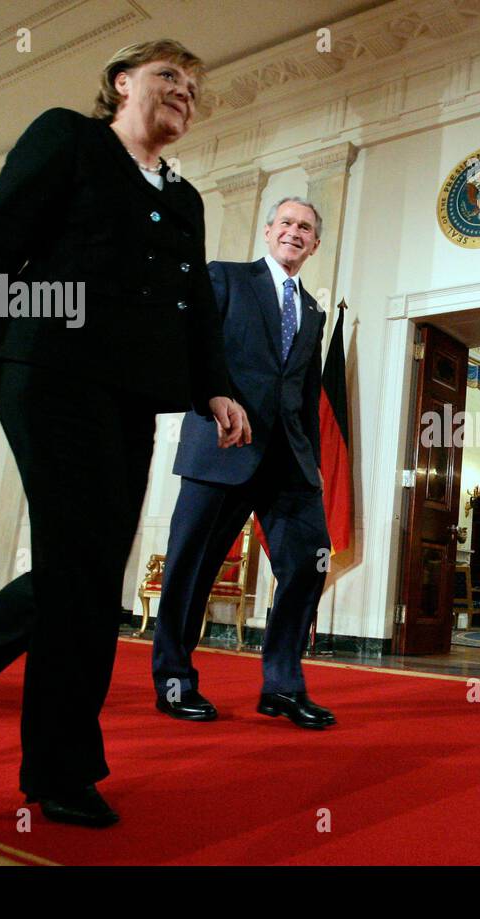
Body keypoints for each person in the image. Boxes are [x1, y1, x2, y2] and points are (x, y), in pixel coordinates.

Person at [0, 39, 250, 828]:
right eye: (168, 79)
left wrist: (215, 386)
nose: (184, 93)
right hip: (44, 362)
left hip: (130, 392)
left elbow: (194, 307)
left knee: (86, 570)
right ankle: (60, 768)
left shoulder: (185, 201)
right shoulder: (69, 138)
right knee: (80, 560)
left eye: (192, 87)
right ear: (121, 84)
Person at [151, 197, 334, 730]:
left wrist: (314, 464)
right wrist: (211, 398)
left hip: (290, 464)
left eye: (305, 228)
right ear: (267, 231)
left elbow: (303, 392)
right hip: (224, 447)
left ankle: (282, 684)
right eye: (287, 224)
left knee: (308, 562)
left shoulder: (314, 312)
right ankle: (175, 680)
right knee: (192, 568)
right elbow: (192, 347)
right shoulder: (225, 279)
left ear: (315, 244)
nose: (295, 232)